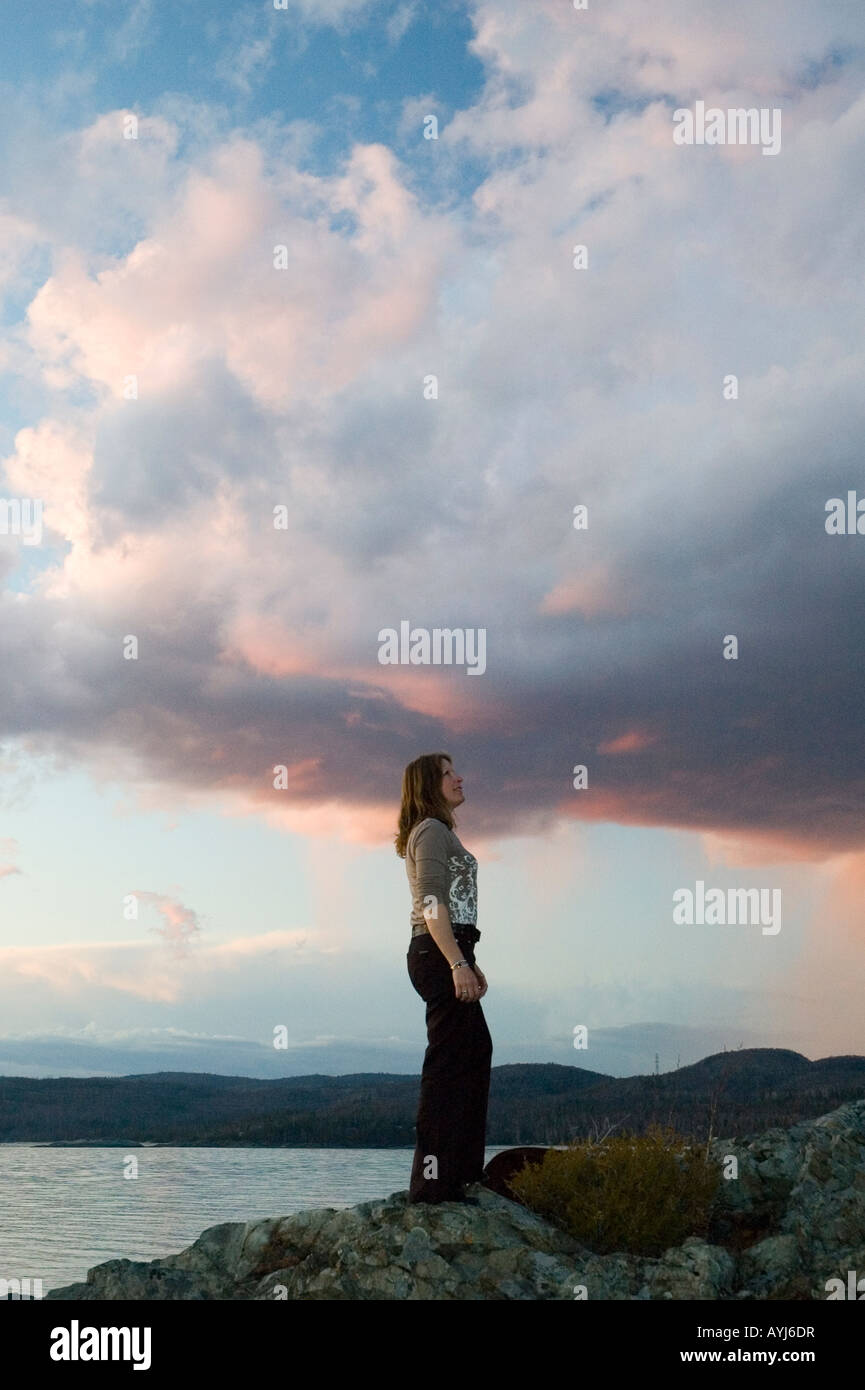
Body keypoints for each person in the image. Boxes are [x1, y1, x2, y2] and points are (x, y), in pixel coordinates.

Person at [395, 751, 493, 1203]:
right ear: (427, 787)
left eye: (456, 768)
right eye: (447, 773)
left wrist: (468, 959)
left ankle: (459, 1175)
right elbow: (432, 904)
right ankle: (434, 1186)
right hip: (437, 952)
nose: (459, 777)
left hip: (448, 949)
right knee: (449, 1065)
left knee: (471, 1054)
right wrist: (456, 962)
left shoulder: (439, 832)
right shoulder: (431, 831)